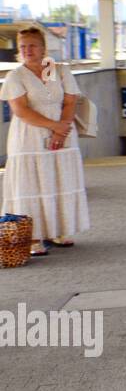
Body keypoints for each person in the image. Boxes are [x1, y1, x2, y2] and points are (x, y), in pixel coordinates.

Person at [0, 28, 90, 256]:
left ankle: (58, 230)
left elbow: (70, 102)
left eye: (32, 45)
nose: (27, 51)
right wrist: (55, 127)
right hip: (29, 136)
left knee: (59, 178)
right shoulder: (16, 76)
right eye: (22, 47)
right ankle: (32, 236)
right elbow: (20, 111)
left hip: (62, 130)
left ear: (43, 48)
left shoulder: (58, 71)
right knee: (31, 183)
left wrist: (61, 131)